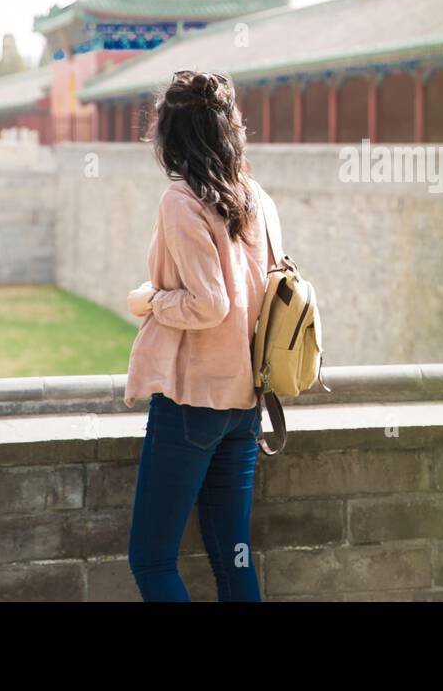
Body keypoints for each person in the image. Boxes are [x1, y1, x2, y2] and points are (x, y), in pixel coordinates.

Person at [123, 69, 281, 602]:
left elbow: (209, 303)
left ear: (172, 136)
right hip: (246, 400)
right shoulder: (256, 197)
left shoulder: (182, 201)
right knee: (233, 558)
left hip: (193, 400)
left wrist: (150, 301)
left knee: (151, 559)